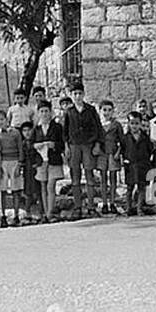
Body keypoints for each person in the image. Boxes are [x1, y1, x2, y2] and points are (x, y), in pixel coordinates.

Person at [62, 84, 104, 219]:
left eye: (80, 93)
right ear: (71, 95)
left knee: (89, 175)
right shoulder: (69, 111)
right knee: (75, 177)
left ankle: (91, 206)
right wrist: (66, 147)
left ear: (84, 94)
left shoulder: (91, 110)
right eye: (75, 94)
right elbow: (65, 131)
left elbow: (97, 128)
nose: (77, 96)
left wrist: (97, 144)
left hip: (88, 145)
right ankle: (78, 206)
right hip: (74, 146)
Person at [32, 103, 66, 223]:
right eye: (42, 111)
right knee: (43, 187)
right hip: (41, 161)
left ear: (50, 112)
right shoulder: (36, 129)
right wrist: (36, 145)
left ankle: (50, 212)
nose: (44, 114)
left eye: (46, 111)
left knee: (50, 186)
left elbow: (62, 144)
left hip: (53, 160)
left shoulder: (57, 127)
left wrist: (54, 145)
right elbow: (31, 144)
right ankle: (46, 213)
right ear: (38, 113)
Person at [122, 110, 156, 216]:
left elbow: (150, 149)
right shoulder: (126, 137)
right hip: (130, 165)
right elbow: (122, 150)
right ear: (128, 124)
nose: (134, 126)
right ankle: (128, 208)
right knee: (129, 188)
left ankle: (139, 208)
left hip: (142, 165)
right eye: (132, 123)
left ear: (141, 124)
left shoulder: (145, 137)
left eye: (137, 123)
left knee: (142, 187)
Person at [99, 99, 125, 215]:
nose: (107, 112)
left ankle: (113, 202)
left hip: (113, 152)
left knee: (113, 178)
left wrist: (118, 152)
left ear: (113, 111)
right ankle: (104, 203)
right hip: (101, 153)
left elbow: (121, 140)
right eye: (104, 110)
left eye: (109, 110)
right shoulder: (98, 124)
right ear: (100, 111)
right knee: (103, 178)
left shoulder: (116, 124)